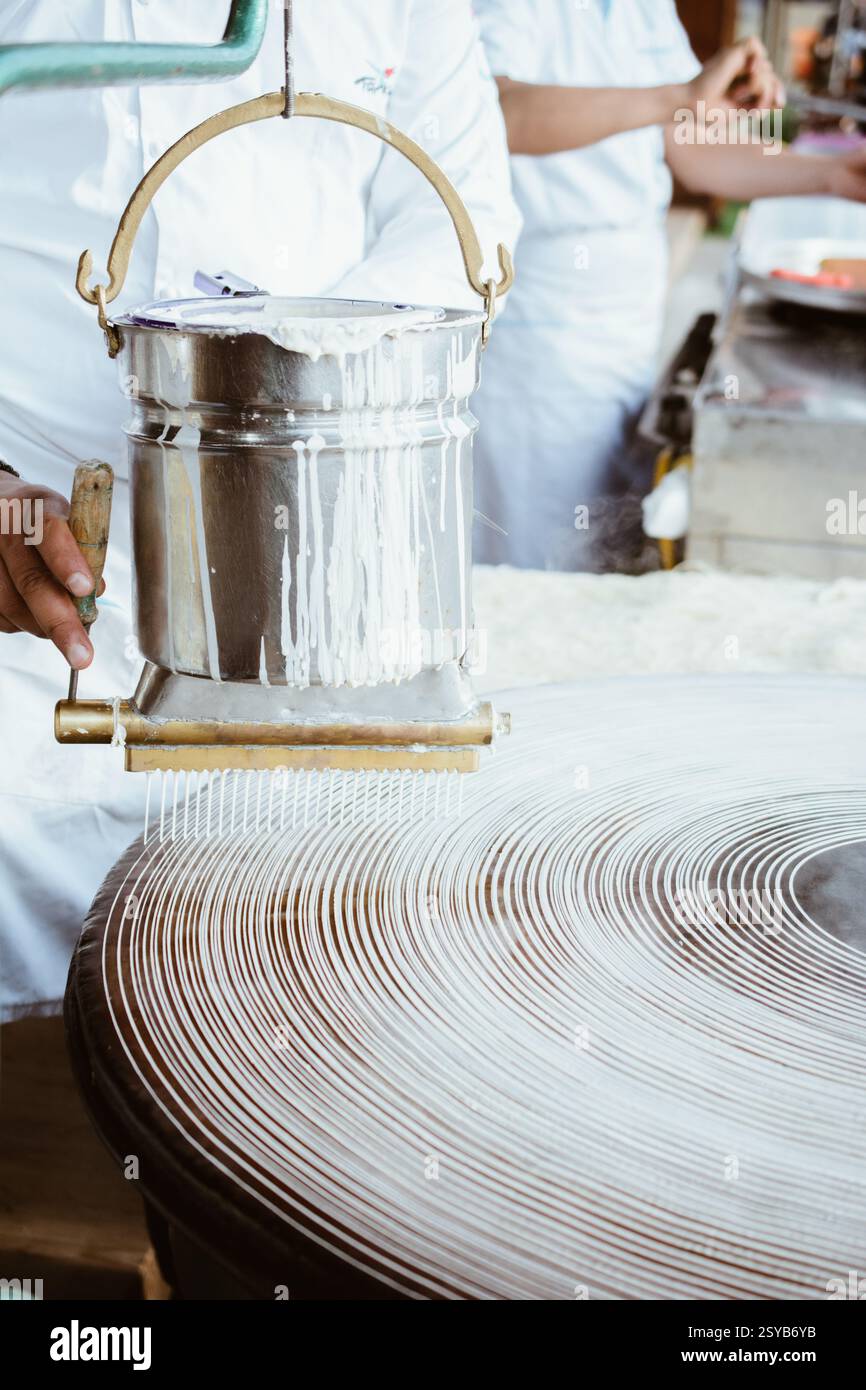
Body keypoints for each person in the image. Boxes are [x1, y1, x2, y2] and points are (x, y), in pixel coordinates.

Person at [0, 0, 519, 1019]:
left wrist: (306, 367)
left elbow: (463, 219)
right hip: (39, 534)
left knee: (367, 915)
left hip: (315, 543)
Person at [473, 0, 866, 570]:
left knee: (606, 542)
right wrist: (676, 96)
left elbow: (689, 146)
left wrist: (835, 174)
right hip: (543, 321)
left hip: (629, 312)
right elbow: (496, 110)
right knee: (542, 556)